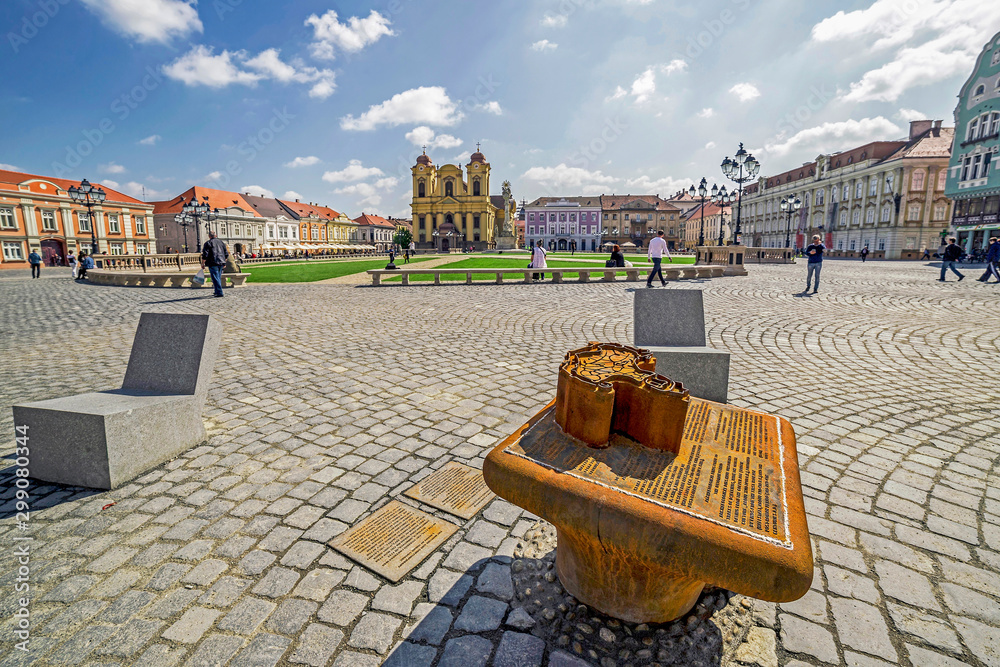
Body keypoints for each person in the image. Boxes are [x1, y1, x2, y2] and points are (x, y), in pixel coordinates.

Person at [201, 230, 229, 297]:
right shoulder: (221, 242)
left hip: (213, 262)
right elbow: (226, 253)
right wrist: (224, 262)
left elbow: (205, 254)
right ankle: (216, 291)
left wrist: (202, 263)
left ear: (209, 236)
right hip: (221, 262)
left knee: (215, 278)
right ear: (215, 235)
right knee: (218, 277)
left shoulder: (208, 243)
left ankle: (219, 292)